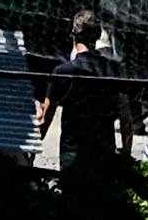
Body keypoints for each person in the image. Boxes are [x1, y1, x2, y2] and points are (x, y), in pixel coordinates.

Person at [45, 17, 138, 197]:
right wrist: (126, 153)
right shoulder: (113, 71)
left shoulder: (63, 72)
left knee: (72, 201)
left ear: (73, 35)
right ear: (97, 36)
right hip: (103, 152)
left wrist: (29, 153)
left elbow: (45, 116)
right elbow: (126, 117)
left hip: (73, 152)